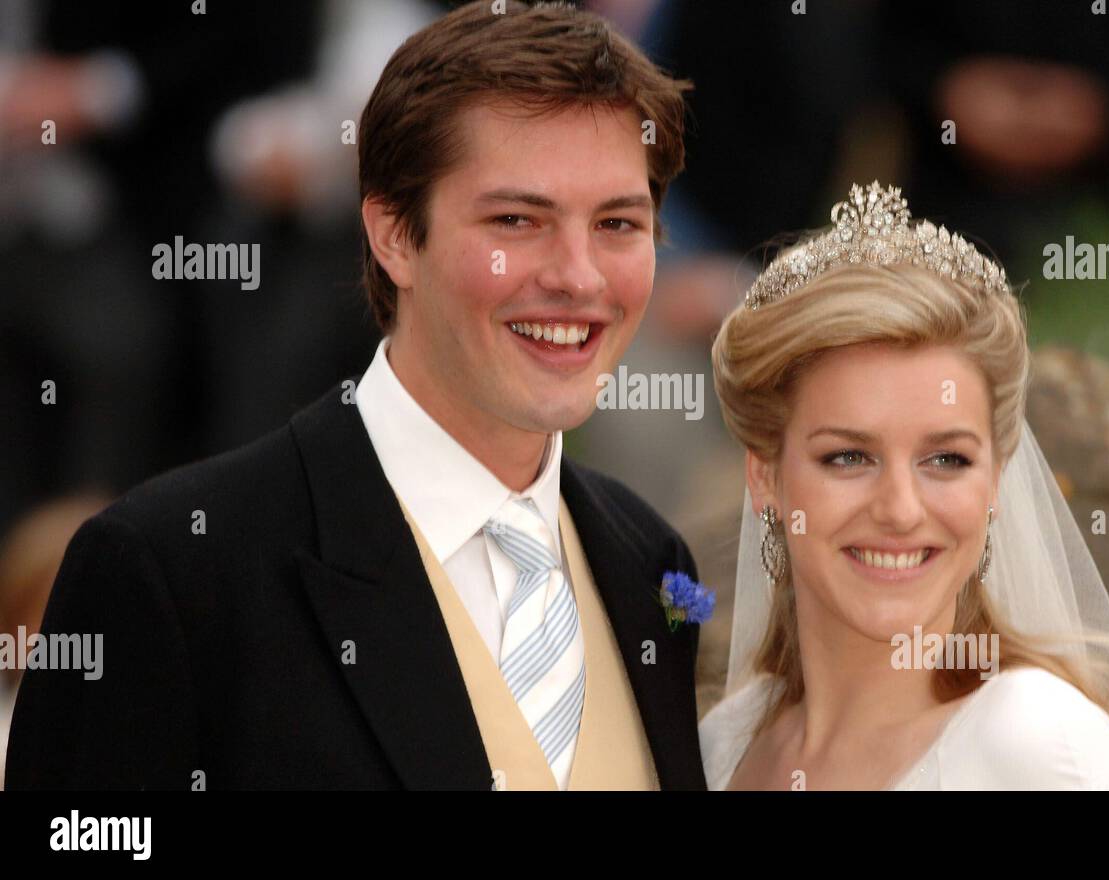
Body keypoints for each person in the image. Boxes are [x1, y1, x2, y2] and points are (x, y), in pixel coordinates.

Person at [6, 1, 704, 791]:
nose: (578, 276)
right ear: (394, 236)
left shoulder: (653, 569)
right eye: (517, 220)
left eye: (617, 223)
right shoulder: (169, 573)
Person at [700, 181, 1109, 790]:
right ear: (765, 476)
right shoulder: (721, 749)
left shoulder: (1041, 746)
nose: (900, 510)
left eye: (947, 460)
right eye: (849, 456)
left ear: (996, 482)